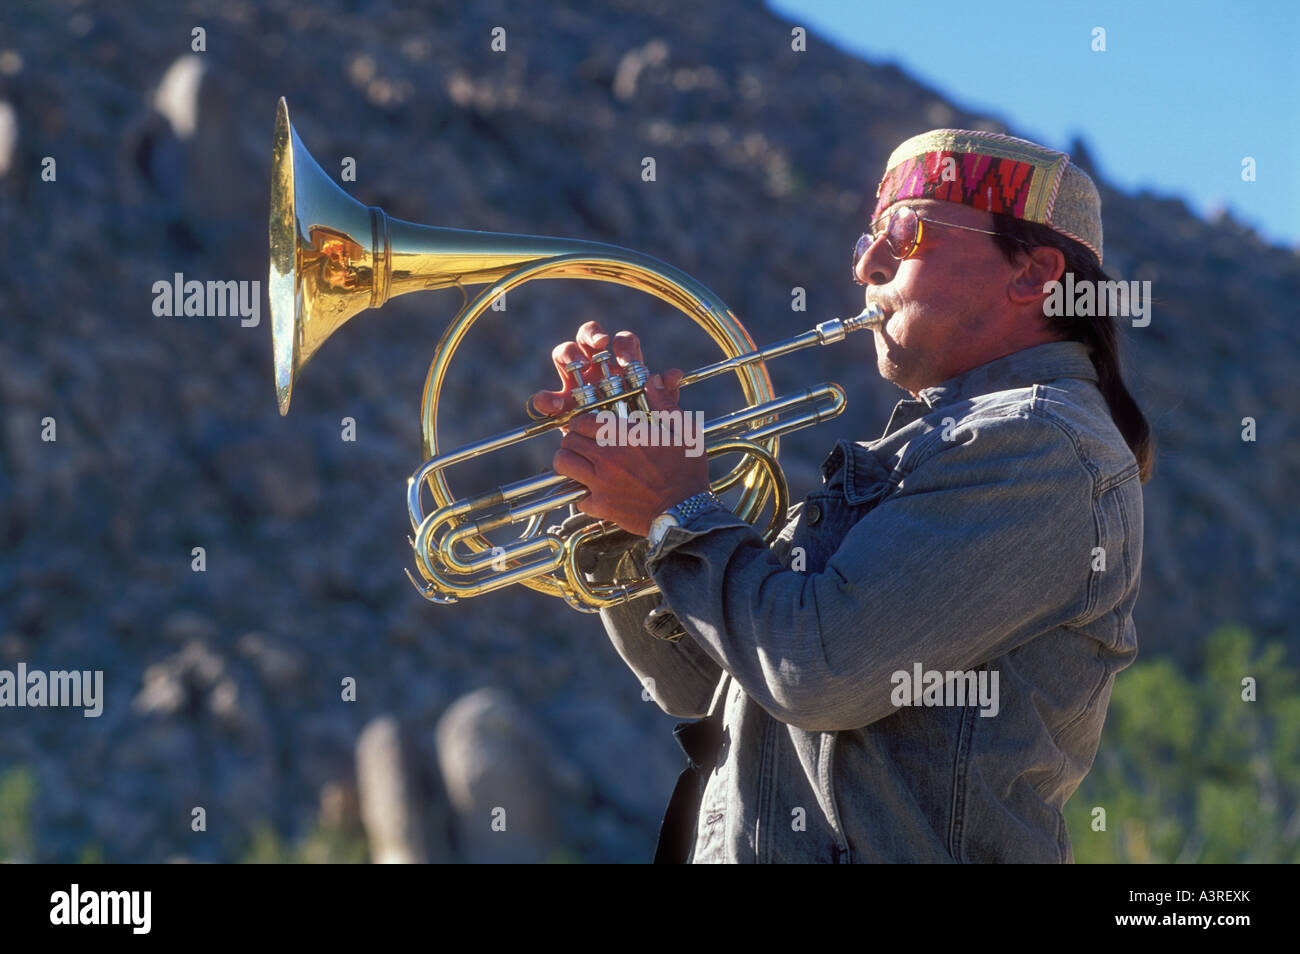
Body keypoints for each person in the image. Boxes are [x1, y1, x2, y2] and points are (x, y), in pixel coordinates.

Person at [532, 129, 1153, 863]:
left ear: (1034, 274)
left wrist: (679, 509)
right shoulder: (930, 446)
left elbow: (818, 673)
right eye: (866, 238)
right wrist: (631, 517)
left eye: (904, 233)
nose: (865, 263)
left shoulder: (1040, 444)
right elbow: (702, 682)